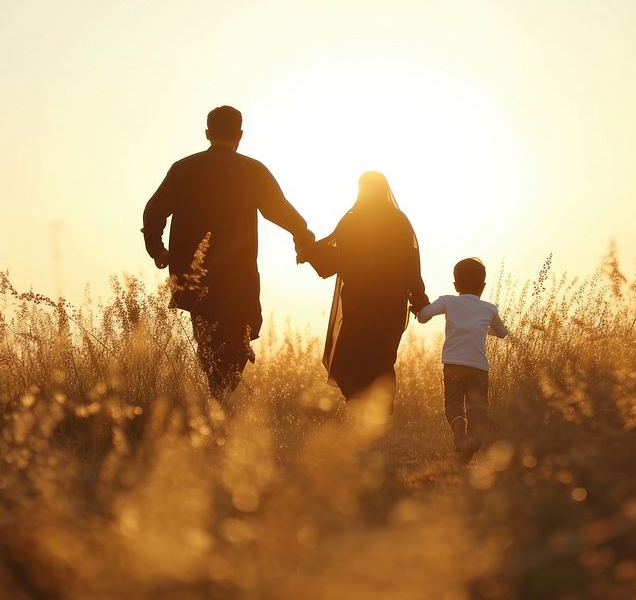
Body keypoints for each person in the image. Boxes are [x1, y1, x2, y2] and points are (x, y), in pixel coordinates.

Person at [142, 105, 314, 398]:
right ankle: (221, 391)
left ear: (208, 133)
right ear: (240, 135)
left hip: (194, 274)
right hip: (238, 272)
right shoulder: (252, 170)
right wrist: (303, 234)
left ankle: (217, 392)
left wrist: (157, 249)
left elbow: (153, 211)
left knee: (206, 335)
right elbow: (279, 210)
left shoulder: (184, 169)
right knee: (243, 327)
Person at [304, 172, 430, 406]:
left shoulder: (353, 220)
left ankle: (360, 411)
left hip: (358, 304)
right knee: (381, 359)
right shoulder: (399, 222)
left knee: (351, 356)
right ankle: (375, 417)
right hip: (390, 307)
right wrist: (420, 299)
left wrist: (308, 249)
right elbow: (411, 265)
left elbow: (332, 260)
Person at [415, 258, 509, 462]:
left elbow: (423, 316)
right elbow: (502, 333)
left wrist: (415, 308)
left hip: (453, 364)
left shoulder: (448, 301)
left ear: (456, 284)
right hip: (479, 367)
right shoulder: (489, 309)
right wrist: (484, 328)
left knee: (453, 403)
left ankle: (459, 434)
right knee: (478, 408)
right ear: (483, 286)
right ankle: (472, 442)